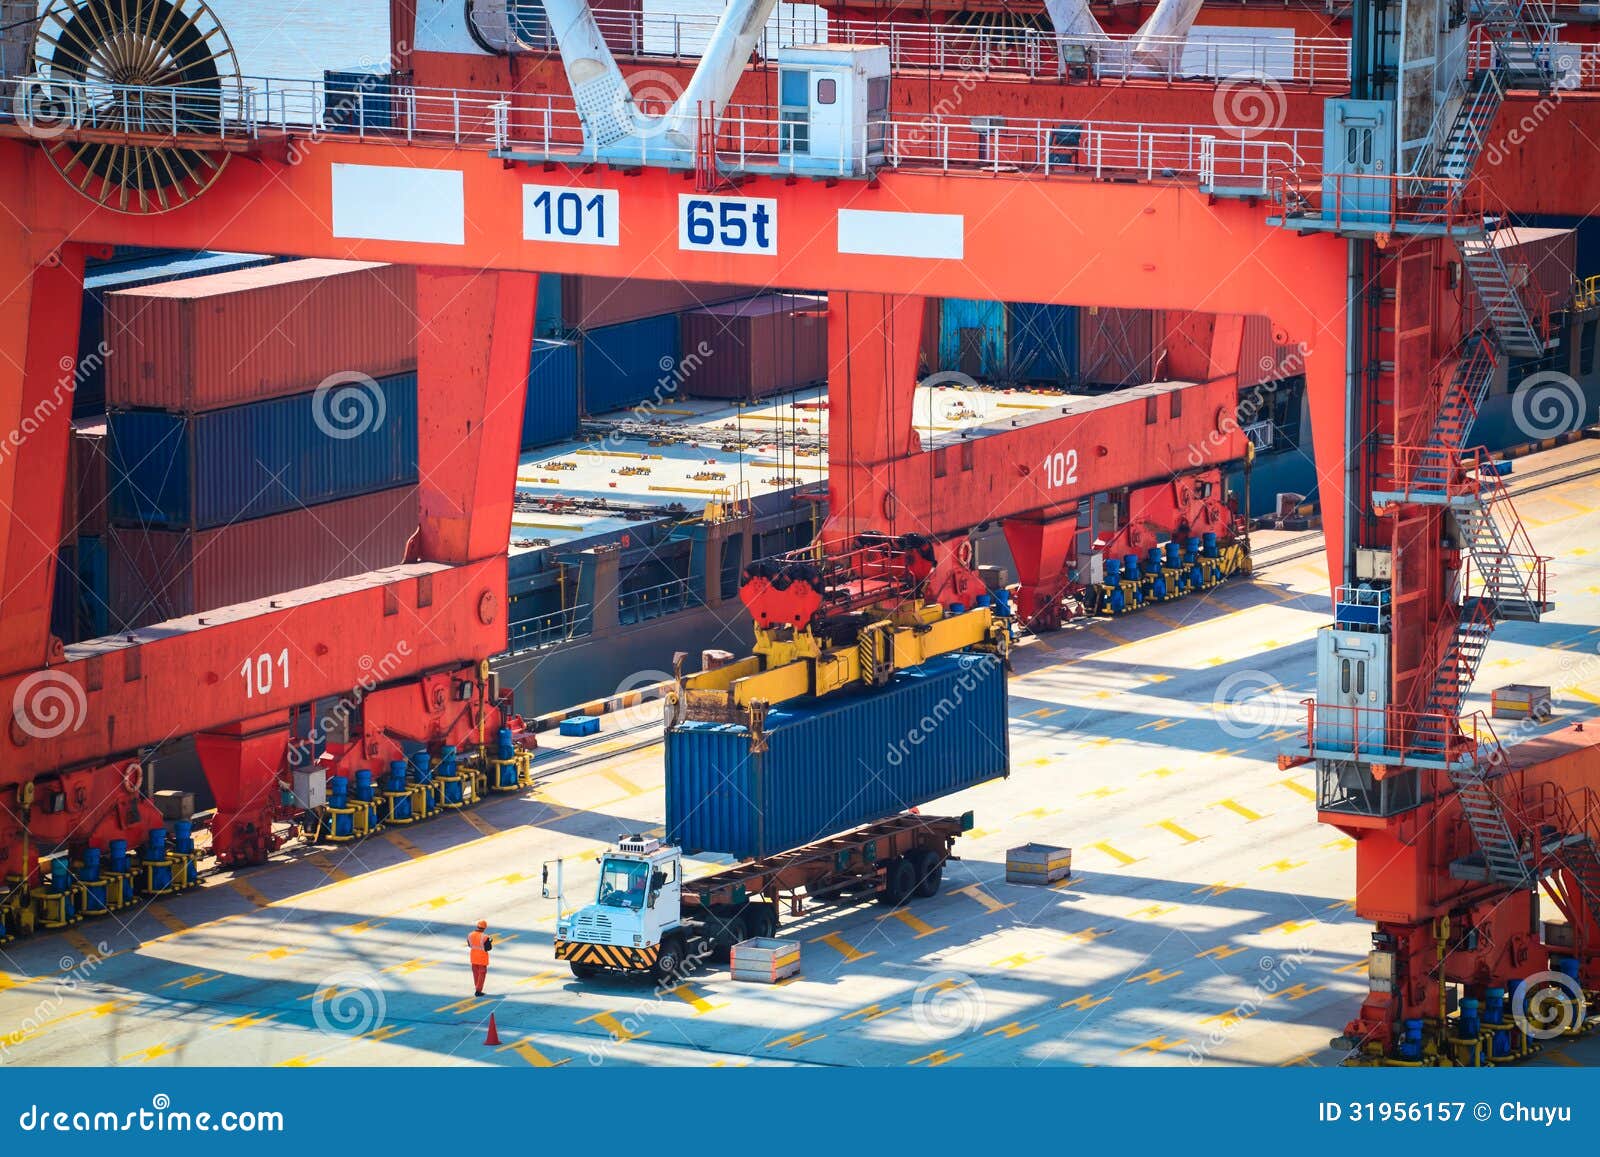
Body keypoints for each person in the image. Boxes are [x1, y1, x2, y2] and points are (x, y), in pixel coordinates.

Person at [467, 919, 493, 996]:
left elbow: (469, 945)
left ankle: (477, 987)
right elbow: (488, 948)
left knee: (476, 973)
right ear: (484, 928)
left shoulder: (470, 935)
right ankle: (478, 991)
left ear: (477, 926)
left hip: (473, 957)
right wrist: (490, 941)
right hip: (482, 959)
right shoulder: (485, 937)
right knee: (482, 974)